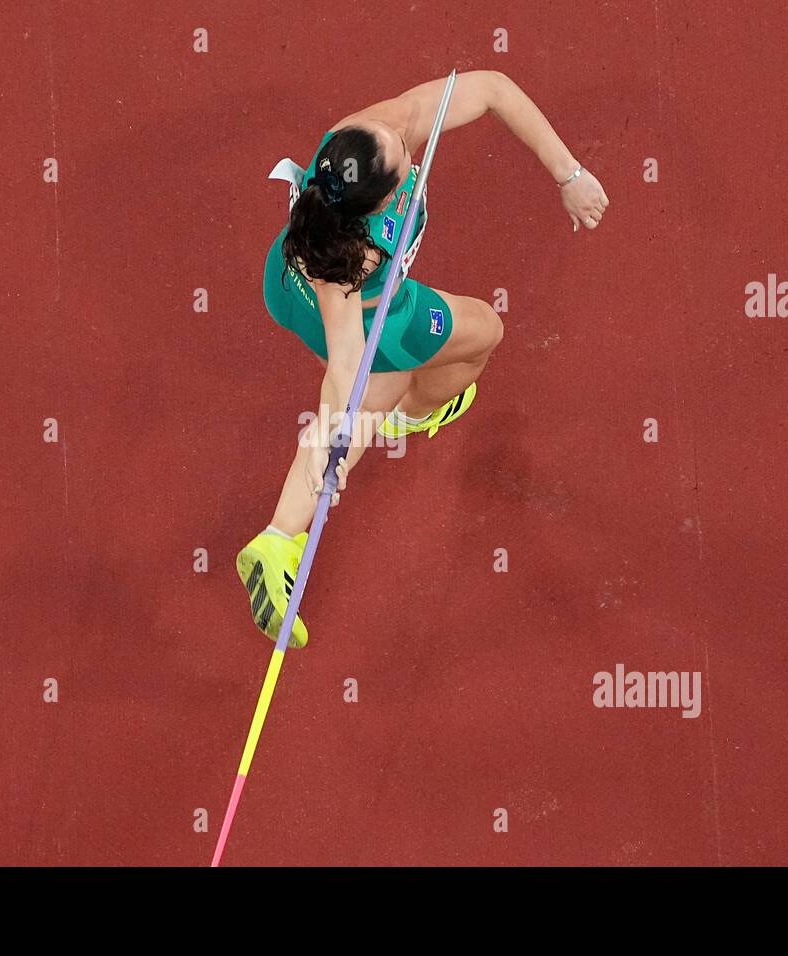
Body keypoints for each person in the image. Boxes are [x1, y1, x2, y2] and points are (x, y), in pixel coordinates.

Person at [238, 71, 609, 648]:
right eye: (401, 163)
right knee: (483, 331)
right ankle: (407, 415)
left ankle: (278, 538)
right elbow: (344, 362)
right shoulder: (355, 256)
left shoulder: (359, 136)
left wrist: (570, 173)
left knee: (356, 407)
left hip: (284, 286)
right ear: (379, 201)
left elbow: (491, 88)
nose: (406, 145)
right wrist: (332, 435)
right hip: (361, 315)